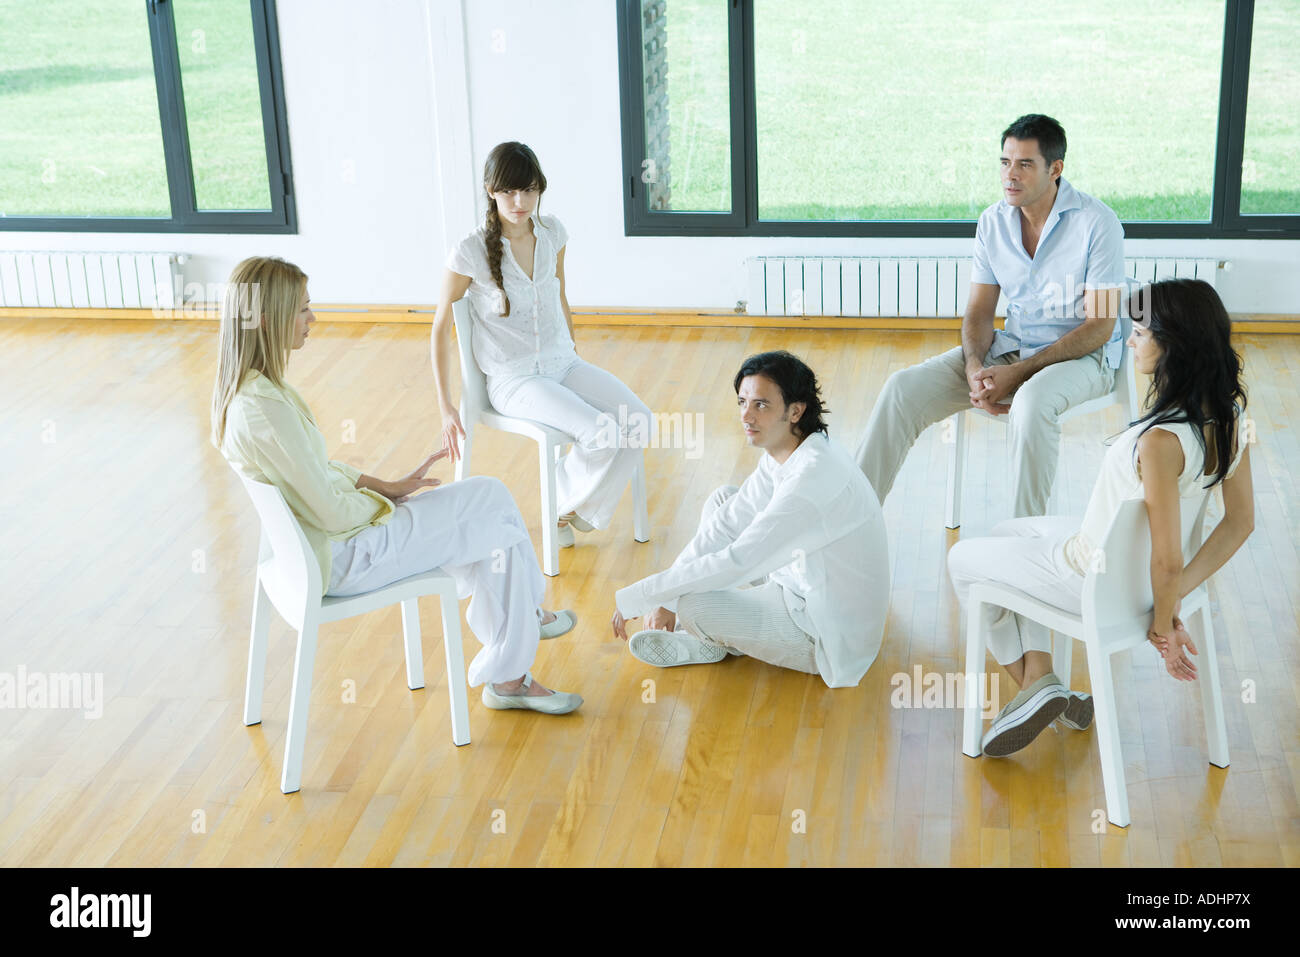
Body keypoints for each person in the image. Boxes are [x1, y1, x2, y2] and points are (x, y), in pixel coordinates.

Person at [212, 256, 581, 715]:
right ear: (266, 319)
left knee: (489, 506)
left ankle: (520, 637)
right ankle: (518, 646)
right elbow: (329, 511)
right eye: (303, 309)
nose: (313, 319)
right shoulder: (264, 408)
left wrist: (384, 486)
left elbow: (316, 472)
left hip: (328, 545)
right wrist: (384, 505)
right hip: (343, 555)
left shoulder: (254, 393)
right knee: (490, 509)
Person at [947, 278, 1254, 756]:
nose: (1129, 341)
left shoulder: (1159, 443)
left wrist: (1162, 619)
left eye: (1140, 333)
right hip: (1124, 571)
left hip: (1088, 573)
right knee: (1008, 530)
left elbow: (1168, 560)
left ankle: (1040, 682)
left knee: (963, 561)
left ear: (1174, 346)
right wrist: (1171, 601)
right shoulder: (1231, 416)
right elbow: (1239, 523)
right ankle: (1043, 686)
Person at [855, 114, 1127, 519]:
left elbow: (1100, 326)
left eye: (1024, 164)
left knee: (1031, 403)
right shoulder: (992, 222)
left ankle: (1023, 545)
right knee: (902, 388)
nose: (1010, 175)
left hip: (1086, 357)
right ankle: (848, 521)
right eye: (1005, 162)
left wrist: (1018, 374)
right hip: (1014, 348)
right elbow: (980, 312)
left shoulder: (1097, 224)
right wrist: (973, 367)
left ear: (1056, 169)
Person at [610, 351, 890, 688]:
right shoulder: (792, 450)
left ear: (795, 410)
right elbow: (729, 523)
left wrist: (647, 596)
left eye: (761, 405)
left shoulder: (811, 478)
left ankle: (707, 638)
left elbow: (739, 559)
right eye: (742, 402)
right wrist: (664, 598)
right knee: (723, 501)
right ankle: (722, 630)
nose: (746, 415)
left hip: (821, 630)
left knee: (693, 603)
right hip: (796, 580)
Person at [432, 141, 652, 549]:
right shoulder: (470, 250)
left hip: (562, 364)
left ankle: (570, 509)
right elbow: (440, 327)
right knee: (604, 433)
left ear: (540, 190)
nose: (519, 201)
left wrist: (574, 357)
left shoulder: (553, 234)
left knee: (639, 421)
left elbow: (560, 295)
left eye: (529, 190)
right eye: (509, 191)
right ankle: (560, 508)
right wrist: (446, 407)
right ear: (490, 189)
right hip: (514, 381)